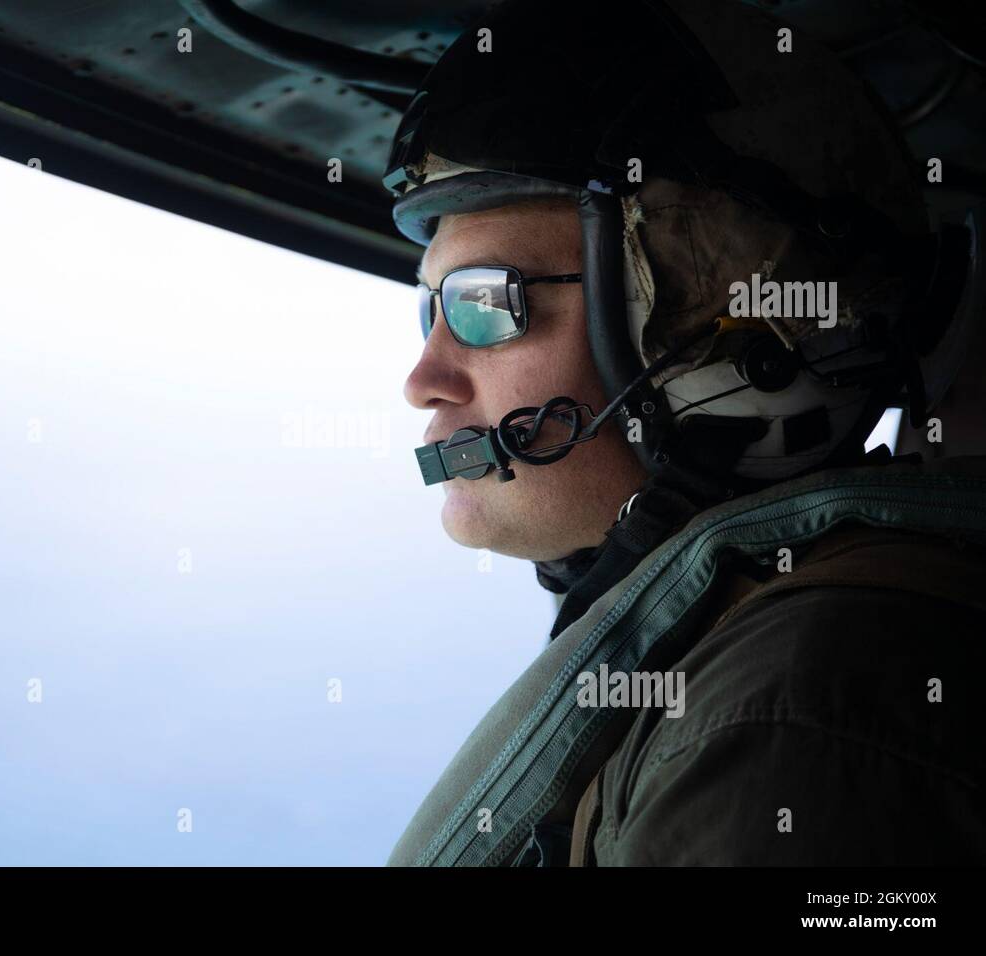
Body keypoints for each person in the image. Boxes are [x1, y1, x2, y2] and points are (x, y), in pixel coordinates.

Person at [384, 0, 986, 866]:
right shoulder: (723, 676)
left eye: (486, 304)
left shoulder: (794, 705)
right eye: (429, 310)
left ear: (720, 351)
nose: (422, 380)